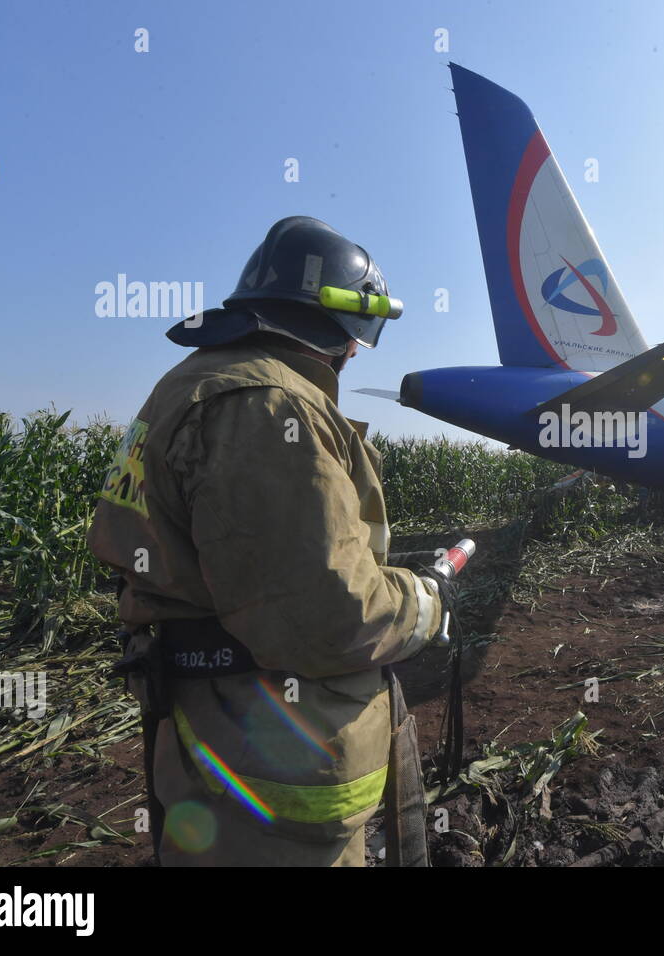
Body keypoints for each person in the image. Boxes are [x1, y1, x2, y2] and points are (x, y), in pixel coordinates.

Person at [87, 216, 450, 867]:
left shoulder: (191, 383)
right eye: (356, 340)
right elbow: (325, 617)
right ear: (338, 330)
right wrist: (424, 600)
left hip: (204, 728)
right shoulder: (268, 406)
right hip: (273, 768)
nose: (357, 355)